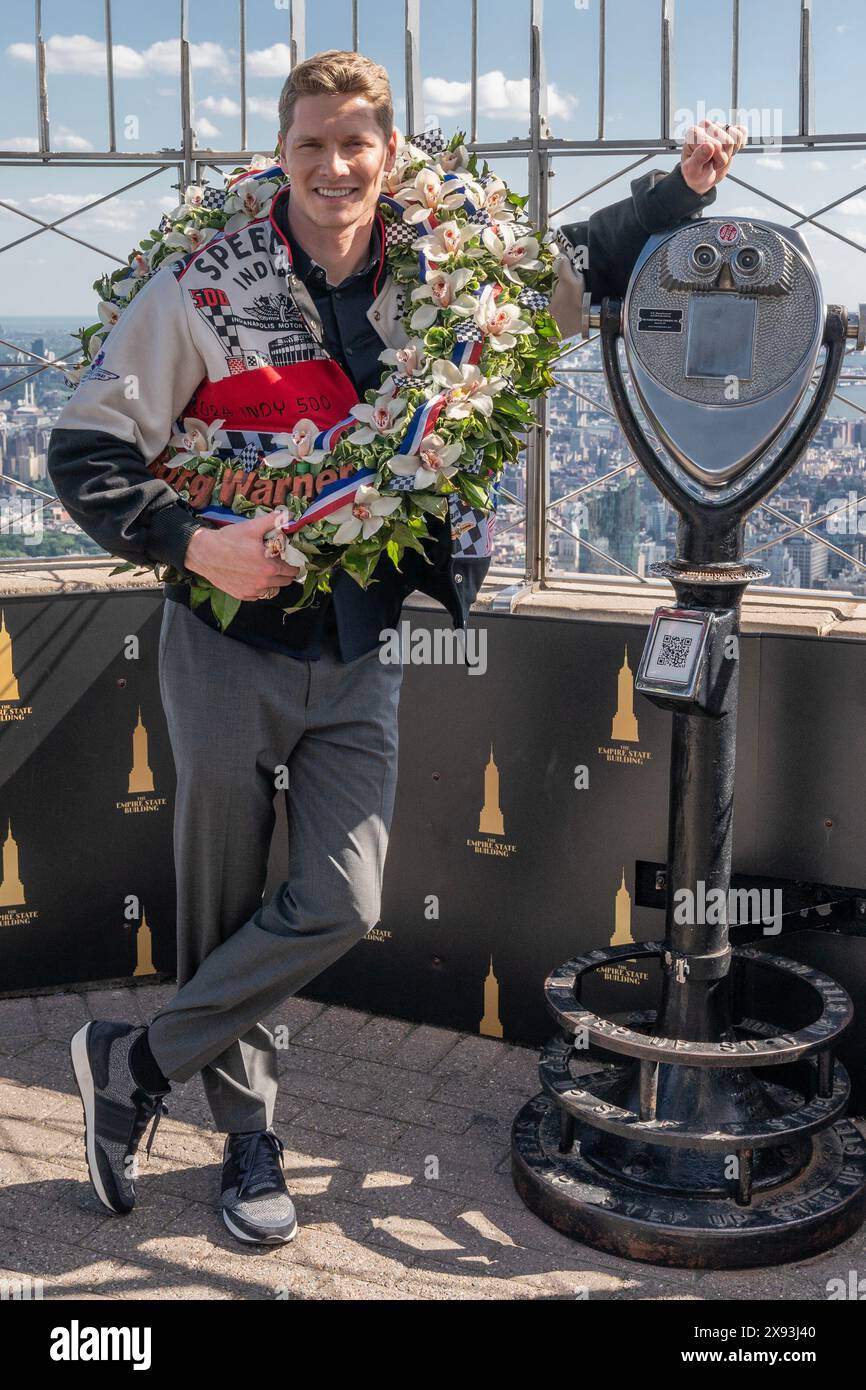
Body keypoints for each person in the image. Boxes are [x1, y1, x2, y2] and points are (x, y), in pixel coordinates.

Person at [47, 49, 746, 1247]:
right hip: (223, 635)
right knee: (223, 903)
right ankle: (245, 1138)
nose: (332, 166)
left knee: (338, 897)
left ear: (390, 152)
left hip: (358, 641)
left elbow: (571, 267)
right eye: (310, 143)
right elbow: (86, 454)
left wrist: (678, 193)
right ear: (279, 151)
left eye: (354, 143)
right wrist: (194, 545)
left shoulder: (448, 264)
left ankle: (133, 1060)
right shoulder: (201, 285)